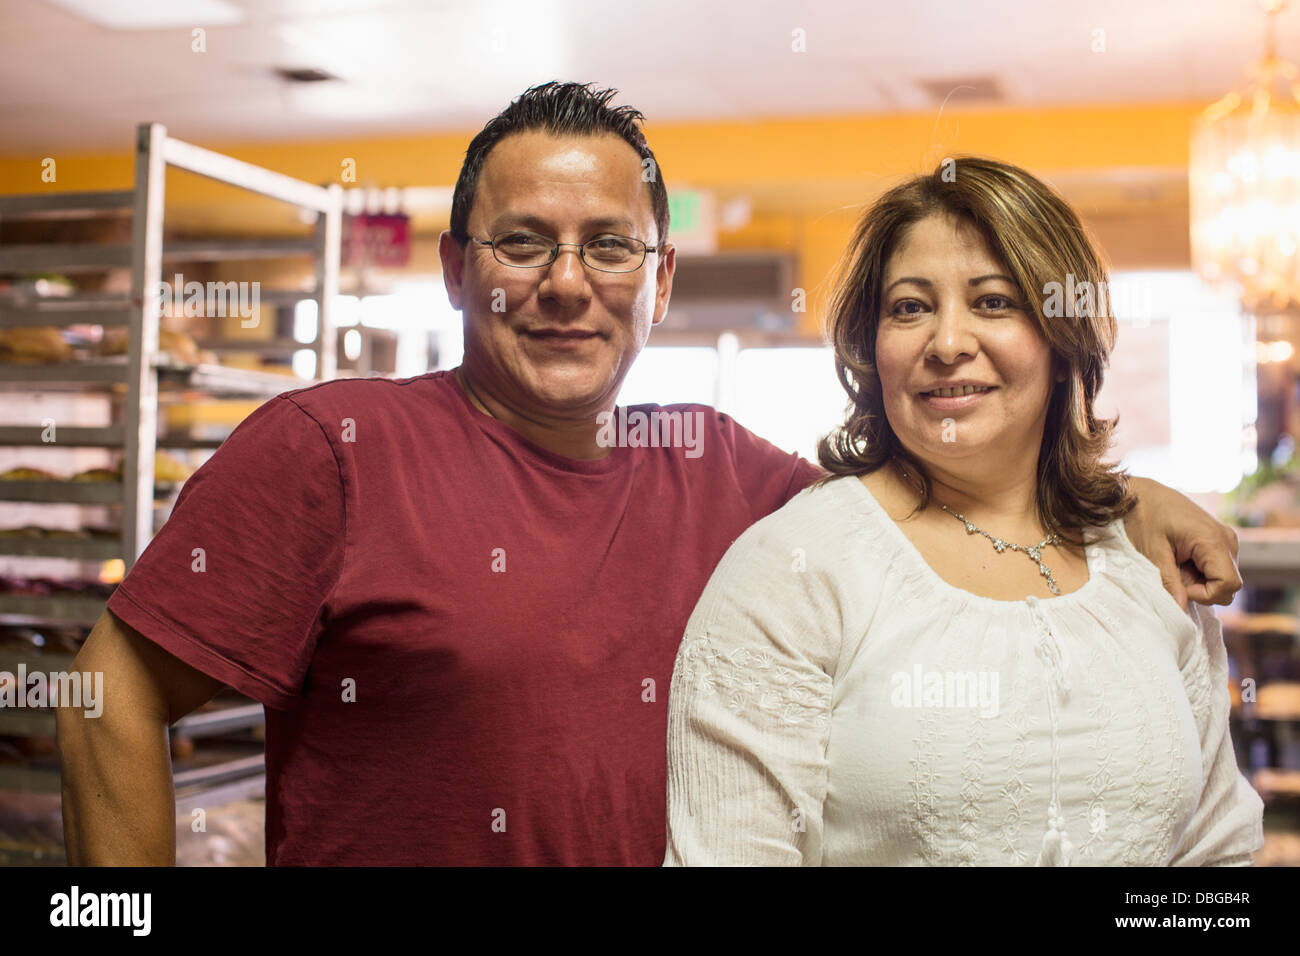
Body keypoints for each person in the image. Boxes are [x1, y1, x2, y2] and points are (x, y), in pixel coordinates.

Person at [58, 86, 1242, 867]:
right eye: (523, 240)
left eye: (609, 245)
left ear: (660, 278)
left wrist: (1122, 496)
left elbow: (951, 477)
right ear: (455, 270)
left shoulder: (723, 470)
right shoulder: (333, 448)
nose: (568, 281)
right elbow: (112, 686)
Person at [662, 156, 1264, 866]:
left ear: (1060, 339)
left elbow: (1216, 853)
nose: (947, 344)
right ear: (870, 345)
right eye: (910, 307)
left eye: (993, 302)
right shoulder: (792, 573)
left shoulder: (1149, 565)